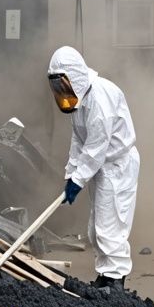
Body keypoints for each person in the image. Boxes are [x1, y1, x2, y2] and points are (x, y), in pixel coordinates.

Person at [47, 46, 140, 288]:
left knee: (111, 225)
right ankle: (105, 275)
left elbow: (96, 147)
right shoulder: (81, 102)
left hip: (117, 166)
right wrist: (71, 174)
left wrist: (78, 180)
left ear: (74, 78)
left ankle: (116, 279)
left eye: (63, 85)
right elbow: (79, 140)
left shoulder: (100, 100)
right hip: (102, 167)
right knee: (97, 228)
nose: (61, 92)